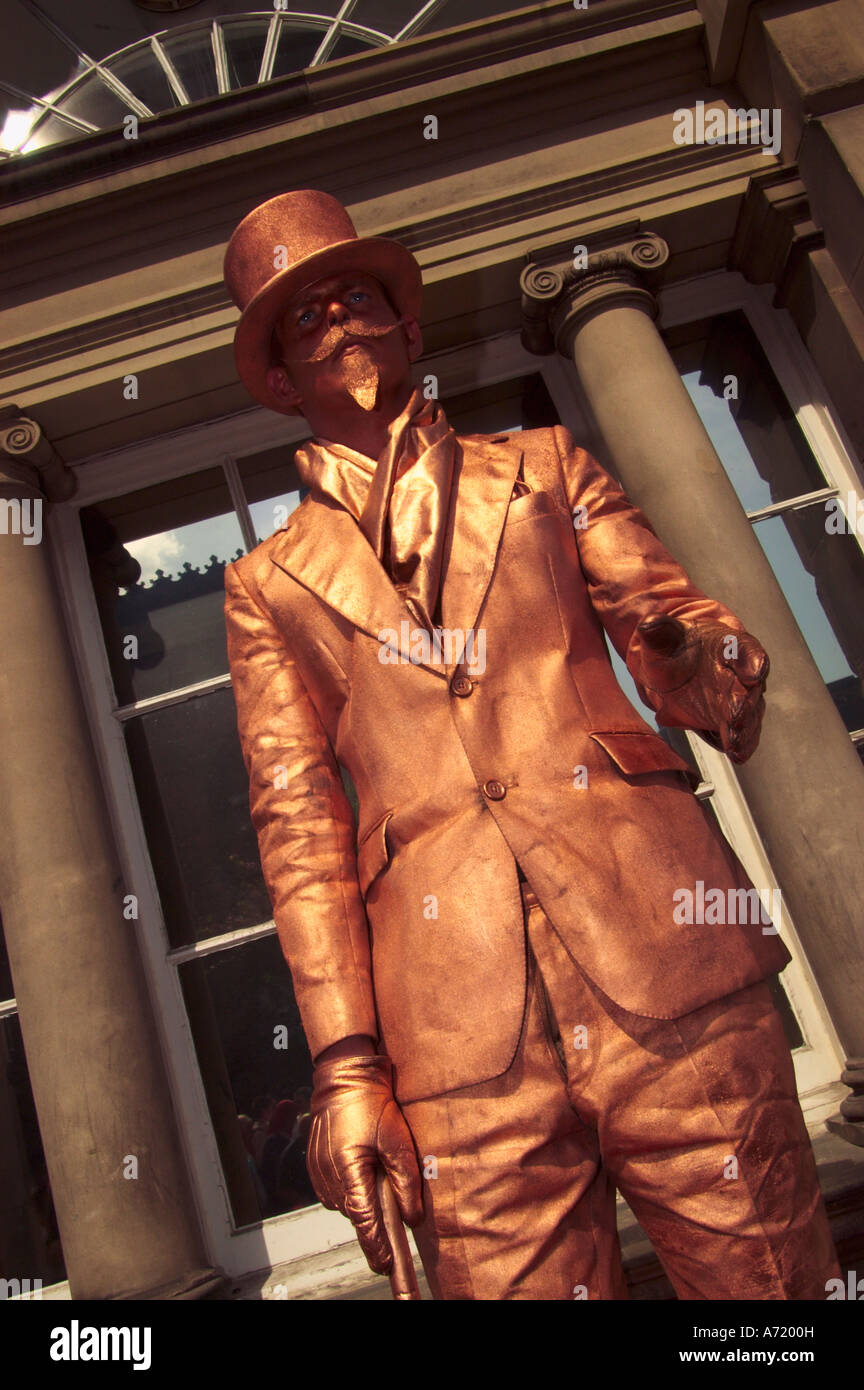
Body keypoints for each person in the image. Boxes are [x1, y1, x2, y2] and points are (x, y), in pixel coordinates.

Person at [222, 190, 841, 1300]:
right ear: (277, 379)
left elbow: (677, 631)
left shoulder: (546, 468)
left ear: (410, 327)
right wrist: (348, 1067)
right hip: (455, 1045)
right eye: (306, 318)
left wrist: (691, 655)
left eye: (358, 297)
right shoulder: (265, 586)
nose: (340, 321)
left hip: (667, 966)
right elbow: (300, 834)